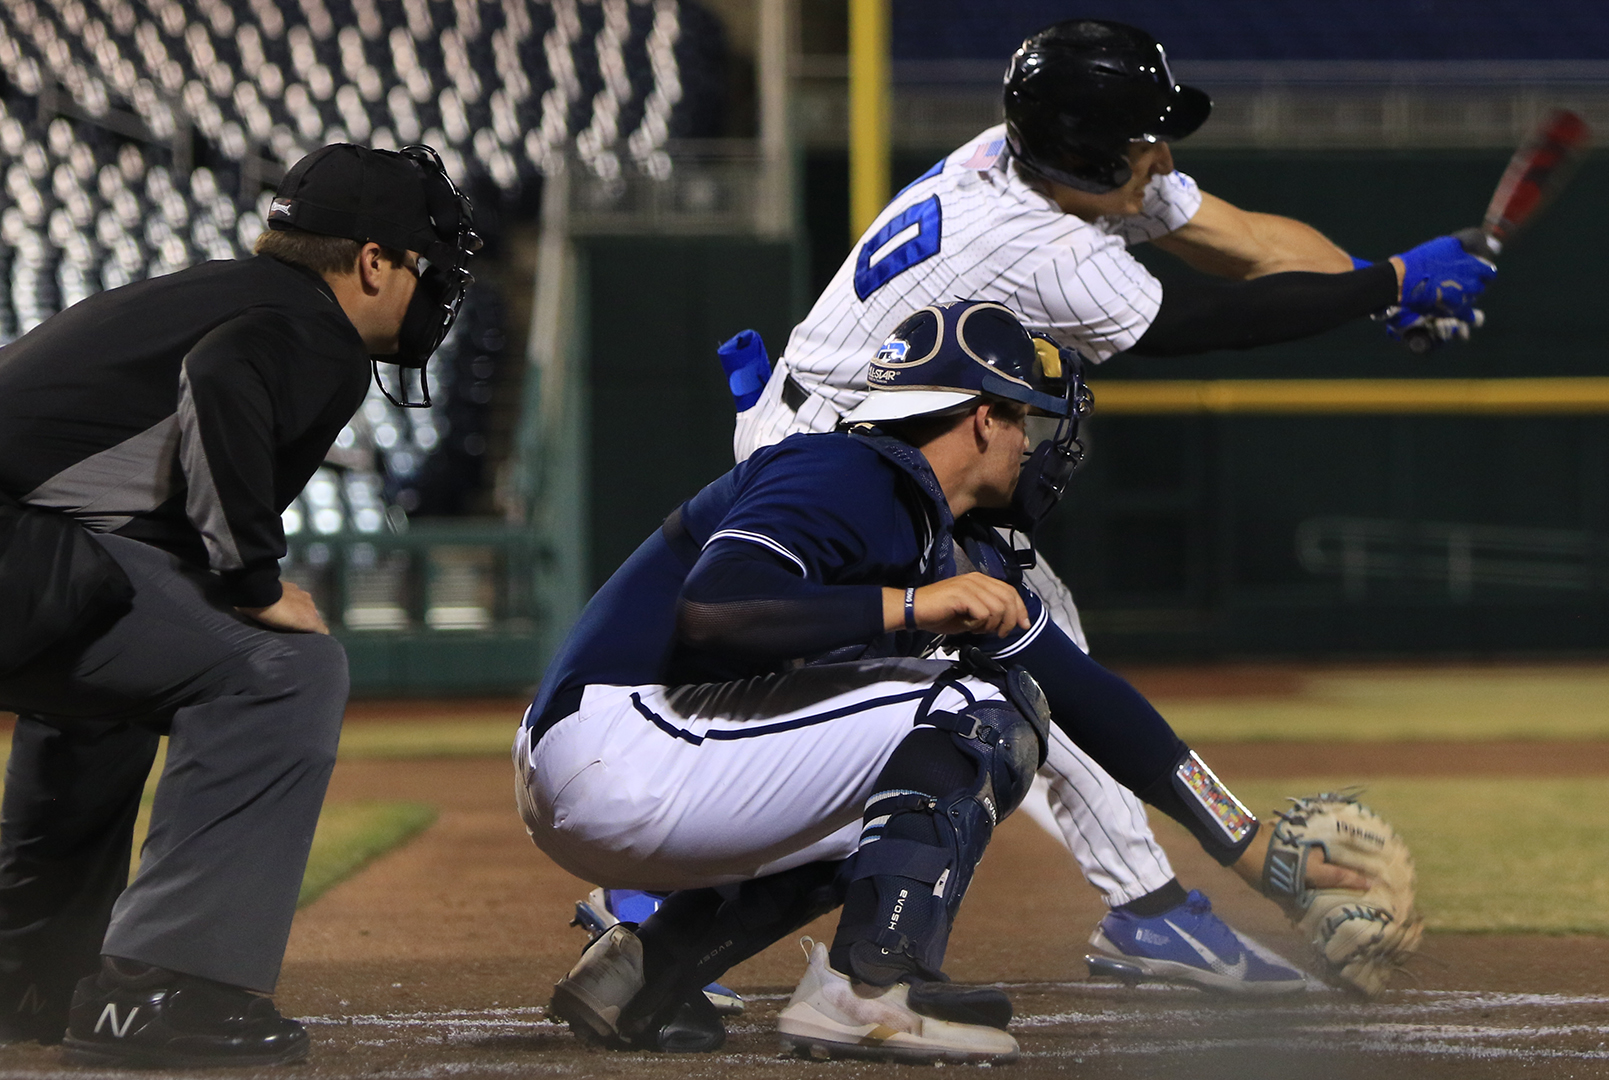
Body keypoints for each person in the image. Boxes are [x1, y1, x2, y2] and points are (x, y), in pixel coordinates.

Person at [719, 18, 1495, 994]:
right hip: (838, 458)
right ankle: (655, 914)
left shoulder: (1038, 162)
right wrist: (1391, 280)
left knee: (1029, 649)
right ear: (1087, 153)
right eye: (1144, 140)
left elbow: (1251, 245)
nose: (1161, 155)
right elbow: (1206, 322)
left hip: (874, 432)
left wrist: (1379, 290)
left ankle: (1149, 912)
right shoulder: (1037, 243)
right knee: (985, 684)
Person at [518, 300, 1371, 1063]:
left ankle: (644, 970)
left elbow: (1093, 702)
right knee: (981, 709)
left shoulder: (951, 544)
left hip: (638, 763)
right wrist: (913, 605)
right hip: (616, 745)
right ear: (981, 418)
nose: (1034, 446)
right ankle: (870, 989)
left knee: (900, 793)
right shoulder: (846, 472)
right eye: (1023, 420)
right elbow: (715, 610)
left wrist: (1255, 850)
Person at [0, 142, 479, 1067]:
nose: (434, 294)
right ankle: (161, 993)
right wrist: (252, 578)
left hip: (28, 551)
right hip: (18, 549)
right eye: (425, 268)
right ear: (372, 262)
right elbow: (224, 378)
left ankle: (30, 976)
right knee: (283, 670)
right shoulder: (312, 325)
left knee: (122, 687)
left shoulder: (210, 292)